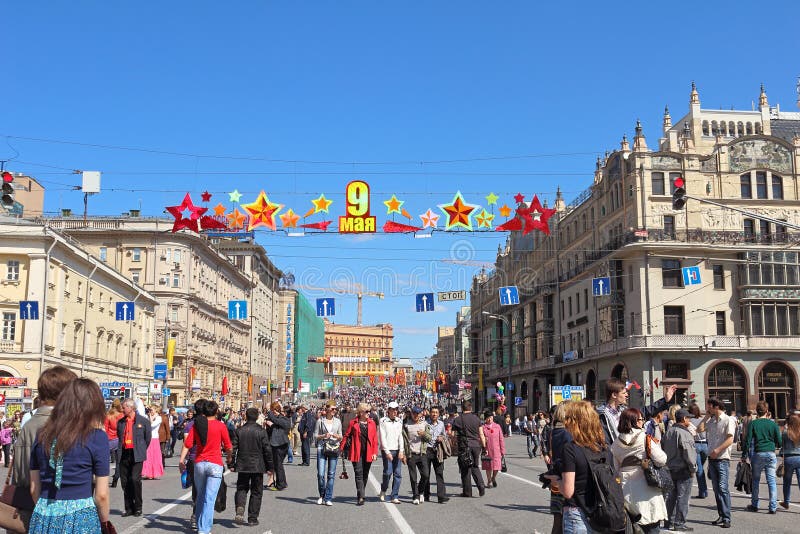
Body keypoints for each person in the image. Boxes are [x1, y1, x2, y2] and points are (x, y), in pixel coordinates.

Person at [28, 378, 111, 533]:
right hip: (80, 515)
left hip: (43, 512)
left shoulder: (42, 435)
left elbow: (34, 488)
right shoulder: (96, 437)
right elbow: (101, 495)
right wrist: (105, 523)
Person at [11, 366, 77, 531]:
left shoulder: (30, 423)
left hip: (25, 502)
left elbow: (20, 468)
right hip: (46, 505)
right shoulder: (58, 424)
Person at [559, 400, 617, 534]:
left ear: (575, 423)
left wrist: (556, 481)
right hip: (601, 513)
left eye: (568, 419)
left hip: (577, 513)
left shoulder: (570, 449)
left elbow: (568, 491)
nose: (566, 423)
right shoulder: (604, 448)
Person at [610, 408, 668, 534]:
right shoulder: (644, 438)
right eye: (641, 419)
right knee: (651, 526)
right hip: (646, 487)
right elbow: (661, 459)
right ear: (635, 421)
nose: (643, 422)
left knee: (631, 527)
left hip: (626, 490)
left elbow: (615, 468)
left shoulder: (615, 444)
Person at [179, 399, 232, 534]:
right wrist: (229, 457)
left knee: (200, 496)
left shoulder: (197, 425)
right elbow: (228, 446)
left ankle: (199, 523)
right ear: (216, 412)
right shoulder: (220, 426)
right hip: (215, 463)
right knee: (209, 498)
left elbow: (188, 444)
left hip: (200, 463)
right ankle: (204, 529)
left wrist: (181, 460)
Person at [599, 378, 678, 445]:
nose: (627, 395)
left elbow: (645, 411)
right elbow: (604, 443)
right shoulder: (602, 416)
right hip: (614, 455)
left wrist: (664, 400)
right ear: (614, 395)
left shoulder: (623, 410)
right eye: (624, 393)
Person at [232, 407, 272, 526]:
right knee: (256, 491)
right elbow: (267, 450)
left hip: (243, 464)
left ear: (246, 416)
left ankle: (240, 506)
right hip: (257, 465)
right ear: (257, 417)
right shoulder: (261, 431)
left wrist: (231, 464)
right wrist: (270, 466)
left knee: (242, 488)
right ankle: (252, 518)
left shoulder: (239, 430)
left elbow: (233, 448)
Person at [744, 400, 782, 514]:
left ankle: (755, 505)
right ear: (767, 411)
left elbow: (747, 440)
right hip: (770, 453)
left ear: (757, 411)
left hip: (758, 453)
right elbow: (779, 442)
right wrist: (774, 443)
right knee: (771, 481)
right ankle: (773, 507)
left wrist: (744, 455)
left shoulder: (753, 424)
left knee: (756, 480)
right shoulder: (773, 424)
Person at [662, 408, 697, 532]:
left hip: (670, 468)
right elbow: (689, 453)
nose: (690, 420)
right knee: (683, 497)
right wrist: (693, 468)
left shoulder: (669, 432)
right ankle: (680, 523)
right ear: (684, 419)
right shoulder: (684, 433)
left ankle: (668, 521)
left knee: (671, 497)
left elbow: (662, 448)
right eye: (688, 418)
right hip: (683, 469)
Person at [704, 397, 736, 529]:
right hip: (712, 459)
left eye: (709, 407)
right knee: (716, 489)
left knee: (723, 488)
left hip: (722, 458)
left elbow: (730, 439)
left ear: (715, 406)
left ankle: (727, 518)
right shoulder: (711, 421)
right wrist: (706, 416)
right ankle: (721, 515)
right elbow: (699, 429)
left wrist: (717, 450)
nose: (707, 409)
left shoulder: (728, 420)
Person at [116, 398, 150, 517]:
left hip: (137, 453)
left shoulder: (143, 421)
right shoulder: (121, 422)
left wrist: (141, 449)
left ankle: (138, 507)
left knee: (135, 480)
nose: (122, 409)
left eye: (124, 407)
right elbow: (119, 437)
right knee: (125, 482)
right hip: (124, 453)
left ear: (131, 408)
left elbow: (147, 439)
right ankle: (129, 507)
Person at [342, 402, 379, 505]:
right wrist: (341, 448)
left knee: (365, 474)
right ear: (361, 412)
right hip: (356, 452)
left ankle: (361, 493)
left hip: (369, 452)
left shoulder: (372, 423)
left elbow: (375, 439)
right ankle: (361, 496)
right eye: (367, 411)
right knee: (358, 473)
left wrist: (375, 452)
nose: (369, 413)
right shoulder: (353, 423)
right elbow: (346, 435)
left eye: (369, 411)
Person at [543, 403, 572, 534]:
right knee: (567, 520)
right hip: (565, 478)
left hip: (556, 477)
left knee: (558, 520)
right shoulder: (567, 433)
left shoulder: (554, 431)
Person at [450, 400, 486, 498]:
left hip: (464, 446)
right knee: (475, 466)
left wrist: (453, 446)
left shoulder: (457, 420)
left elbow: (452, 436)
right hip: (476, 446)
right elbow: (481, 434)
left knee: (465, 469)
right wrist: (484, 447)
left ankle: (467, 492)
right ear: (471, 408)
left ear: (462, 408)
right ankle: (481, 486)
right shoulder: (477, 419)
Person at [314, 401, 342, 506]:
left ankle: (328, 498)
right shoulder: (320, 421)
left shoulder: (338, 421)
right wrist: (323, 436)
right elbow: (315, 436)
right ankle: (322, 495)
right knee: (321, 474)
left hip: (334, 447)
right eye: (332, 409)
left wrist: (335, 436)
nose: (334, 411)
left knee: (331, 474)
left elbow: (341, 436)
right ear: (327, 409)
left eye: (335, 409)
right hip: (322, 447)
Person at [403, 406, 431, 504]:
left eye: (417, 413)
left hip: (422, 453)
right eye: (414, 413)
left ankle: (420, 491)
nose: (415, 415)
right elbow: (403, 440)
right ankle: (415, 496)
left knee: (426, 475)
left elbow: (429, 438)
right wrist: (404, 454)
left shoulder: (425, 424)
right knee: (413, 477)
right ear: (411, 414)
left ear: (420, 414)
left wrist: (423, 434)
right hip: (411, 454)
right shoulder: (406, 425)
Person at [379, 401, 405, 503]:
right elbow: (382, 437)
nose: (395, 411)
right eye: (393, 409)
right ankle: (383, 489)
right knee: (388, 472)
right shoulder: (383, 421)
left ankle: (394, 495)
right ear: (388, 410)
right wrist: (387, 451)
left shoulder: (399, 421)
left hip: (397, 450)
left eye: (396, 409)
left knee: (397, 474)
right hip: (387, 450)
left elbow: (400, 436)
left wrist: (401, 450)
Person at [424, 406, 449, 504]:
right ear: (430, 413)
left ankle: (441, 496)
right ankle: (426, 495)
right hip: (427, 450)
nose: (434, 414)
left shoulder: (441, 424)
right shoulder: (425, 423)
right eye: (433, 412)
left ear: (438, 414)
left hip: (438, 451)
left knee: (439, 473)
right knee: (426, 474)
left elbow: (445, 435)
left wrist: (442, 437)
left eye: (436, 412)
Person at [265, 401, 291, 491]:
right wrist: (270, 424)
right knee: (278, 465)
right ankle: (282, 483)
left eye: (273, 411)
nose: (273, 413)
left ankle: (281, 484)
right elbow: (276, 428)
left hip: (281, 445)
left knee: (278, 465)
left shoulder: (284, 419)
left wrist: (269, 410)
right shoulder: (278, 419)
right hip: (277, 444)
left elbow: (276, 422)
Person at [688, 403, 708, 499]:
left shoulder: (689, 421)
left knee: (699, 469)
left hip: (695, 444)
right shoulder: (702, 420)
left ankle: (703, 492)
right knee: (701, 468)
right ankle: (704, 491)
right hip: (705, 445)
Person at [481, 409, 506, 489]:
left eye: (491, 417)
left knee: (497, 466)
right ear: (485, 418)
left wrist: (503, 450)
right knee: (488, 466)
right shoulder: (483, 427)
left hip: (496, 450)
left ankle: (493, 477)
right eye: (488, 418)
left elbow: (501, 439)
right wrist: (483, 439)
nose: (489, 419)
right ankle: (489, 481)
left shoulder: (497, 426)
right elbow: (479, 438)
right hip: (487, 450)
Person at [780, 412, 800, 509]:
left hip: (789, 459)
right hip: (799, 458)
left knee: (787, 482)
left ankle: (786, 502)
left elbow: (781, 444)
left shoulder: (785, 433)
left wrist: (781, 454)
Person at [104, 399, 124, 488]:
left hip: (109, 440)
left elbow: (105, 429)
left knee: (105, 460)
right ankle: (116, 476)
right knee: (119, 461)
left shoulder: (108, 416)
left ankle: (103, 478)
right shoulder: (122, 416)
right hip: (119, 440)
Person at [142, 404, 164, 480]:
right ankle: (147, 473)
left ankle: (155, 473)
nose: (150, 411)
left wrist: (151, 418)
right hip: (147, 438)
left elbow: (152, 425)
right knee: (147, 456)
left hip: (154, 438)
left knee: (155, 456)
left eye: (151, 410)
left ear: (156, 410)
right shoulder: (147, 417)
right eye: (150, 410)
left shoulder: (158, 418)